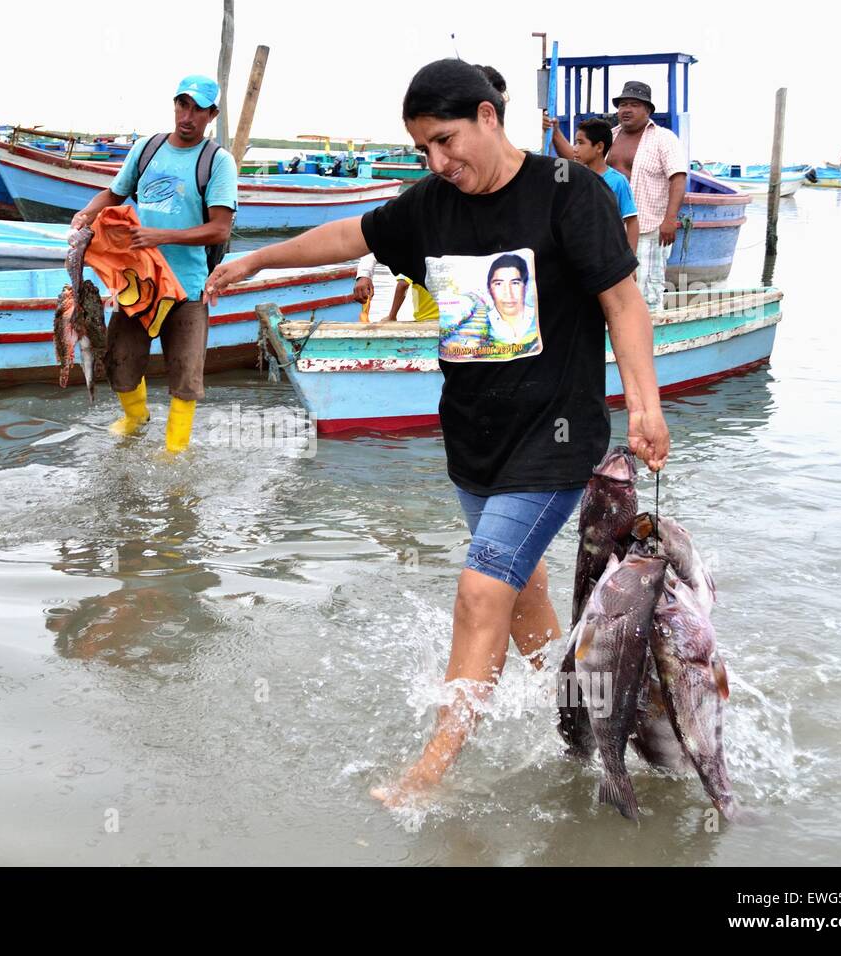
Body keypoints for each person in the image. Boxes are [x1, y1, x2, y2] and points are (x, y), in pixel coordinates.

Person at [206, 59, 669, 807]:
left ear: (490, 116)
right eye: (423, 149)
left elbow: (622, 300)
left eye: (447, 141)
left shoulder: (567, 193)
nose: (438, 161)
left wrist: (645, 405)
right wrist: (257, 258)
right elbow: (348, 234)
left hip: (553, 435)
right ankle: (585, 727)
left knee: (482, 586)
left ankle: (431, 771)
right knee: (520, 592)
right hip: (473, 438)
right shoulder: (430, 206)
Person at [69, 75, 238, 455]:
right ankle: (135, 418)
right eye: (182, 105)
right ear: (174, 105)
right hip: (139, 283)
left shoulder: (217, 162)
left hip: (188, 286)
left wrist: (162, 236)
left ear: (212, 114)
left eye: (198, 109)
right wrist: (85, 214)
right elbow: (113, 194)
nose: (188, 116)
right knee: (119, 363)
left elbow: (220, 229)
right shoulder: (147, 148)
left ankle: (175, 450)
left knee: (185, 375)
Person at [605, 81, 687, 309]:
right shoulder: (610, 136)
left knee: (647, 294)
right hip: (611, 229)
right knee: (613, 292)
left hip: (649, 229)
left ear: (647, 110)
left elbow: (678, 178)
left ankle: (654, 341)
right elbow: (578, 161)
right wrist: (551, 133)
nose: (626, 109)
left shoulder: (664, 138)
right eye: (622, 104)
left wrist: (670, 219)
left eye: (633, 104)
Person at [545, 115, 639, 251]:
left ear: (599, 147)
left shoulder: (618, 181)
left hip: (608, 256)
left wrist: (631, 260)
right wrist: (551, 129)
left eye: (581, 143)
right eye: (575, 143)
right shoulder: (570, 177)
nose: (575, 149)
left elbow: (631, 221)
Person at [353, 254, 439, 323]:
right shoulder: (446, 259)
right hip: (448, 317)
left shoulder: (416, 258)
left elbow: (403, 285)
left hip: (426, 319)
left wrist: (392, 316)